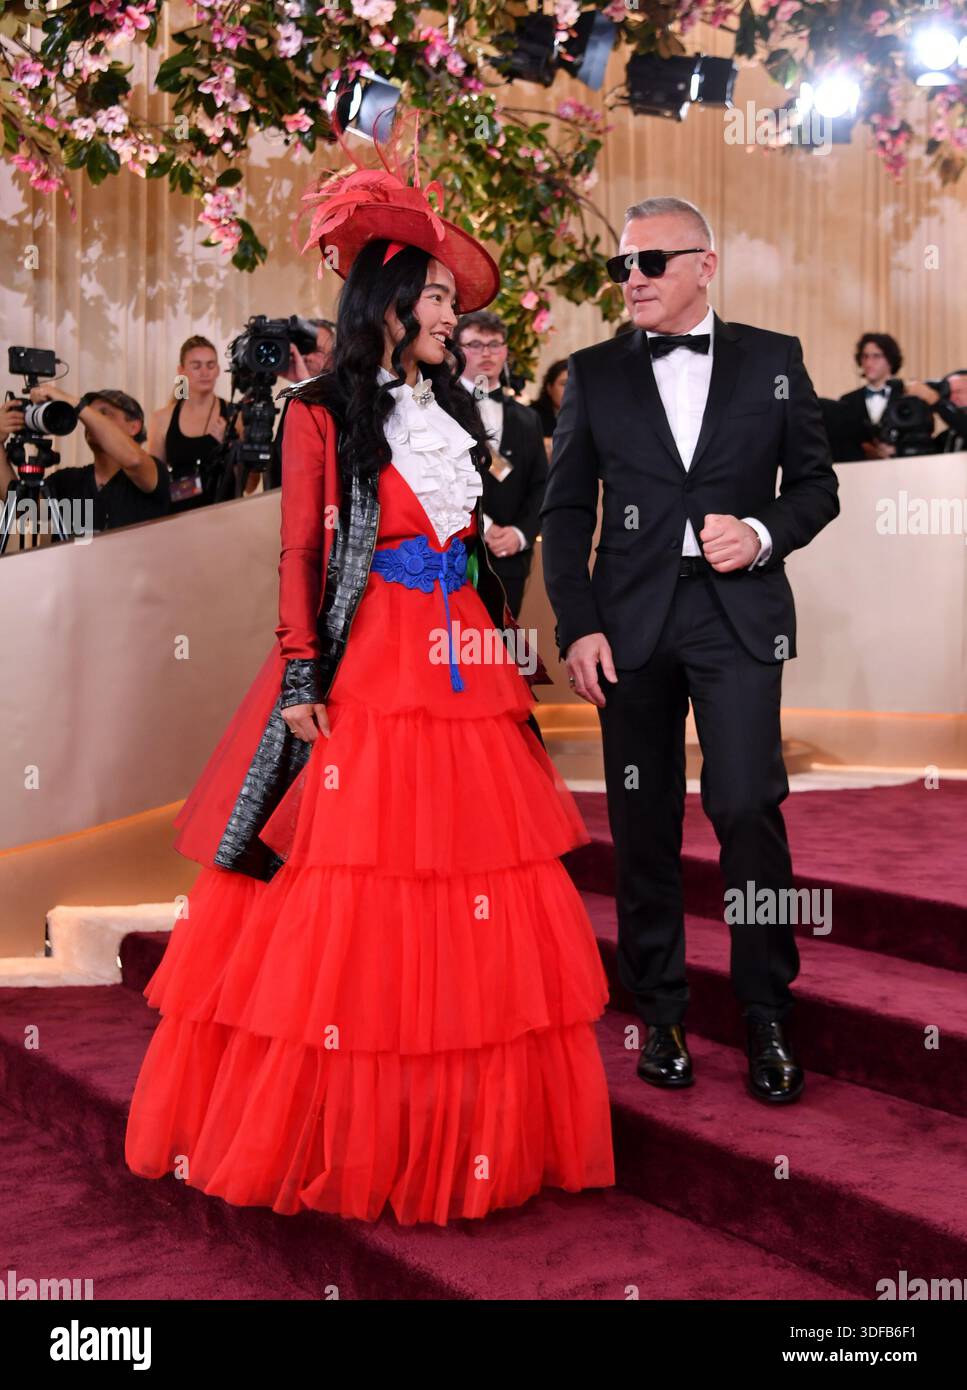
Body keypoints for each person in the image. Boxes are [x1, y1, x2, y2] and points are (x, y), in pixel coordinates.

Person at [123, 110, 615, 1225]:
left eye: (453, 300)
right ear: (391, 301)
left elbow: (452, 525)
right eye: (439, 297)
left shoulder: (448, 412)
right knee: (352, 889)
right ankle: (333, 1127)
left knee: (466, 889)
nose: (455, 315)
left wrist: (484, 542)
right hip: (371, 664)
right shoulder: (320, 410)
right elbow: (299, 549)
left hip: (460, 663)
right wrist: (302, 678)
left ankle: (460, 1130)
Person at [540, 195, 839, 1105]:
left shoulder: (772, 360)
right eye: (622, 266)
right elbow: (563, 510)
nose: (631, 279)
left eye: (652, 262)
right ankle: (660, 1010)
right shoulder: (591, 374)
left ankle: (764, 1013)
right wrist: (577, 624)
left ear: (704, 266)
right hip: (628, 627)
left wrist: (758, 529)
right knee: (643, 822)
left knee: (748, 803)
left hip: (737, 614)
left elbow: (816, 488)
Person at [455, 310, 548, 617]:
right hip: (461, 551)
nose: (486, 353)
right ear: (457, 350)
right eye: (475, 345)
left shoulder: (528, 418)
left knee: (504, 653)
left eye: (494, 344)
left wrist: (520, 533)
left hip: (512, 557)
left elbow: (542, 485)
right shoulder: (442, 407)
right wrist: (486, 527)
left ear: (505, 350)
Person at [0, 386, 170, 536]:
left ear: (134, 426)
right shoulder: (69, 481)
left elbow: (134, 460)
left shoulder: (152, 471)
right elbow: (22, 510)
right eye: (88, 416)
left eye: (103, 414)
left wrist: (74, 403)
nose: (90, 421)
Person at [146, 336, 249, 513]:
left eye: (210, 365)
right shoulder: (162, 418)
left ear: (217, 370)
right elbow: (154, 482)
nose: (204, 372)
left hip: (225, 519)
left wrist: (232, 446)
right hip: (177, 521)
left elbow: (249, 485)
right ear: (182, 371)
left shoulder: (234, 416)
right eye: (196, 366)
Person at [832, 332, 905, 461]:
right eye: (865, 356)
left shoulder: (907, 396)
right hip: (860, 473)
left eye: (876, 356)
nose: (868, 362)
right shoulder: (847, 401)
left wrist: (898, 450)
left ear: (890, 360)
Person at [532, 359, 568, 453]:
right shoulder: (531, 416)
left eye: (575, 384)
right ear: (549, 388)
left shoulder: (589, 416)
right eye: (564, 384)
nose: (570, 389)